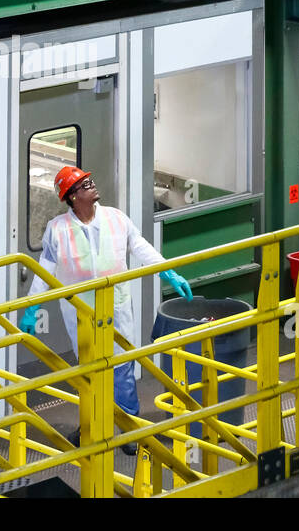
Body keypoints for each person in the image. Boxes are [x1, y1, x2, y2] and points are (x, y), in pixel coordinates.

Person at [20, 165, 193, 454]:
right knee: (88, 373)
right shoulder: (58, 229)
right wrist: (31, 306)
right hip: (81, 314)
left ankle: (130, 429)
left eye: (90, 180)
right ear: (72, 196)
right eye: (84, 184)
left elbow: (139, 246)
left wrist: (168, 272)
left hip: (117, 307)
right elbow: (45, 270)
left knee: (123, 368)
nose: (92, 185)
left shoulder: (116, 218)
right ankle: (90, 428)